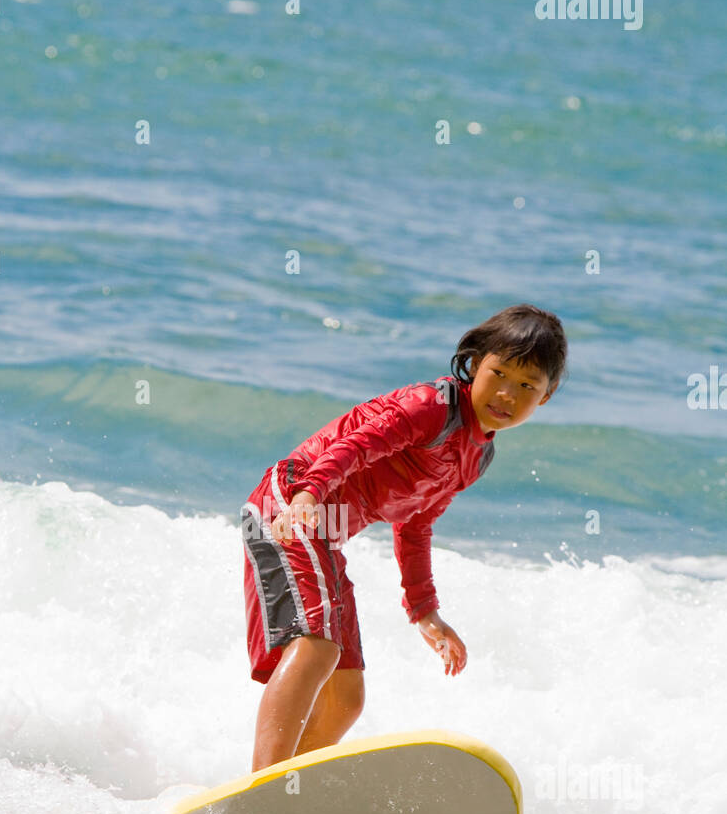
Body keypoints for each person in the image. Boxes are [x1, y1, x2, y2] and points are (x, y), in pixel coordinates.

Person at [241, 304, 567, 770]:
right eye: (499, 373)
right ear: (476, 365)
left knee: (347, 698)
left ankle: (290, 790)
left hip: (323, 537)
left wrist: (424, 611)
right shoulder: (431, 408)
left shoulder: (477, 457)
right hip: (288, 503)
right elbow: (358, 444)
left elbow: (415, 523)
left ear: (546, 396)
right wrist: (311, 491)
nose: (506, 394)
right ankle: (265, 784)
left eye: (526, 386)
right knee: (318, 647)